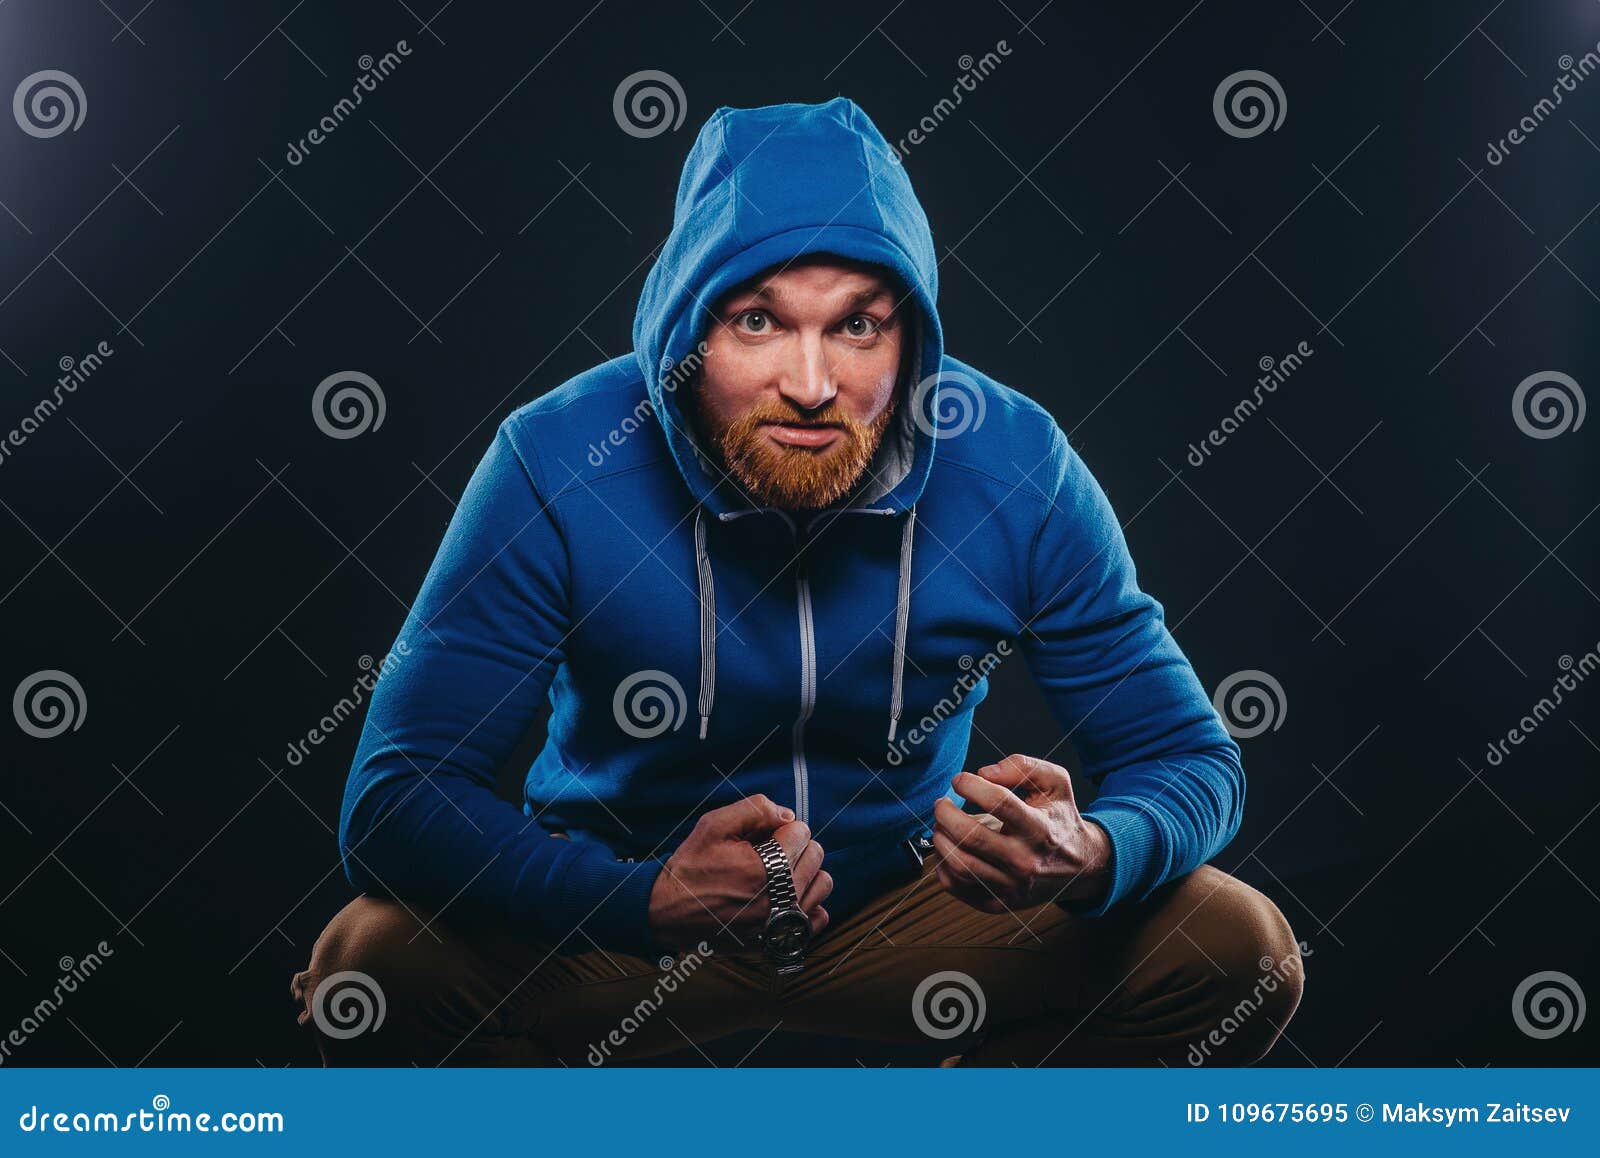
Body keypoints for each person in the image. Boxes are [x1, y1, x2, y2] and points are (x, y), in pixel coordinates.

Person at [292, 98, 1303, 1066]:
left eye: (859, 326)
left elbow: (1191, 757)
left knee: (1237, 950)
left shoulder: (1012, 462)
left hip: (909, 910)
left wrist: (1093, 851)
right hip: (630, 913)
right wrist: (638, 900)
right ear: (686, 328)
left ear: (912, 335)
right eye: (756, 321)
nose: (812, 386)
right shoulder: (559, 460)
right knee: (370, 963)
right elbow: (395, 799)